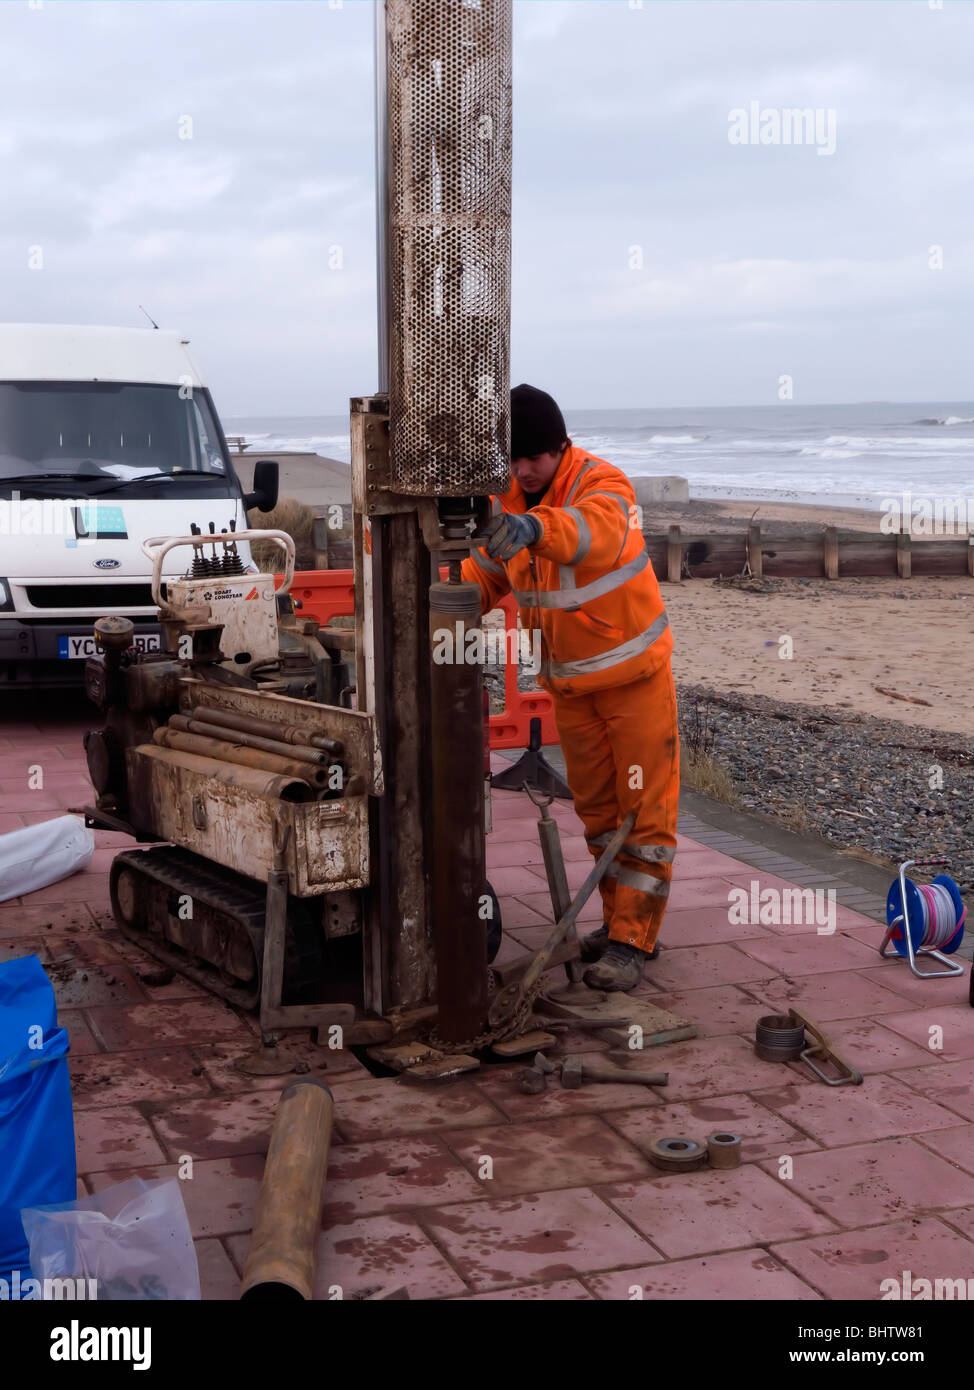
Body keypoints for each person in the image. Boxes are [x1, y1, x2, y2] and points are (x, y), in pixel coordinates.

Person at [463, 383, 679, 992]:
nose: (523, 470)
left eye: (535, 457)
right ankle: (618, 927)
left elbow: (596, 534)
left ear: (562, 446)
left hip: (635, 683)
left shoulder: (602, 485)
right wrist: (441, 607)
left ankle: (635, 940)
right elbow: (484, 571)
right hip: (574, 690)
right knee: (600, 816)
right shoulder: (507, 499)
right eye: (513, 458)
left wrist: (531, 529)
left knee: (645, 816)